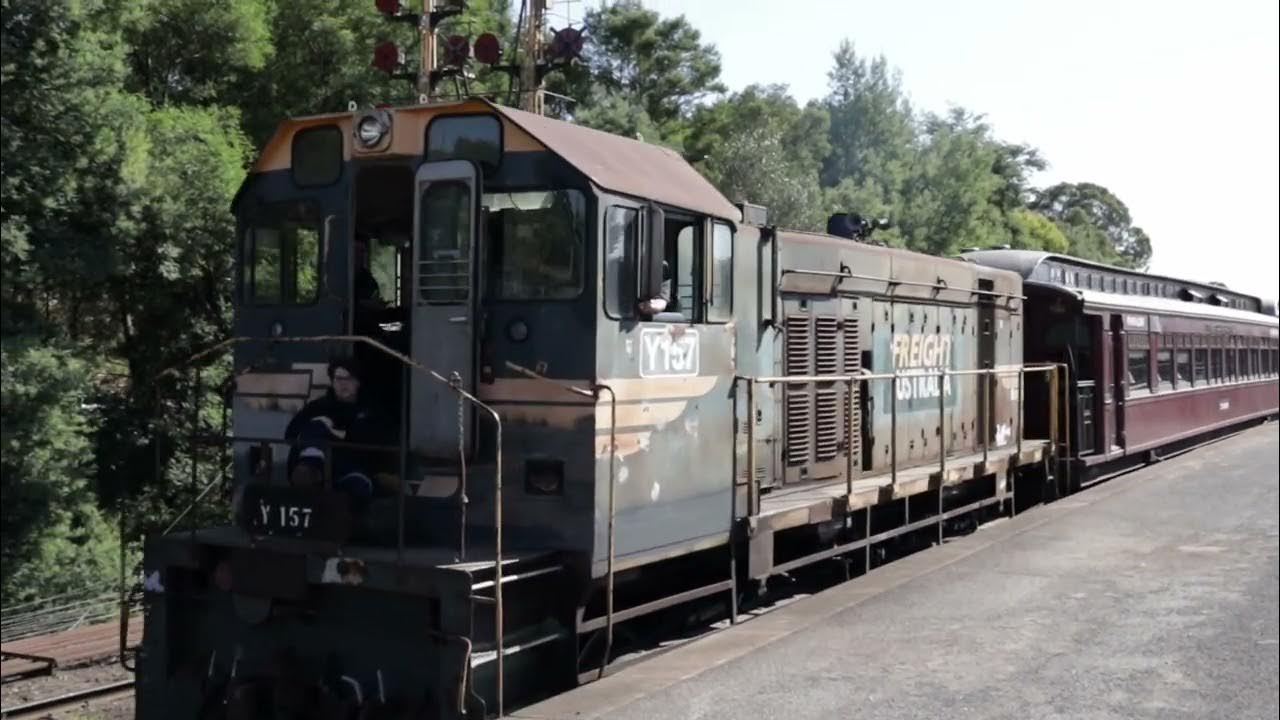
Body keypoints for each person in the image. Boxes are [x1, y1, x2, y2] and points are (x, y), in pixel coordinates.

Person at [285, 358, 388, 503]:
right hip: (317, 468)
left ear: (358, 382)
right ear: (332, 381)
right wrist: (319, 428)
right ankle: (309, 469)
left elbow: (374, 442)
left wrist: (334, 432)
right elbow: (289, 434)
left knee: (360, 485)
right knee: (317, 424)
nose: (343, 384)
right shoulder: (317, 407)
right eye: (338, 378)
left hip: (349, 467)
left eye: (348, 378)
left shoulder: (368, 410)